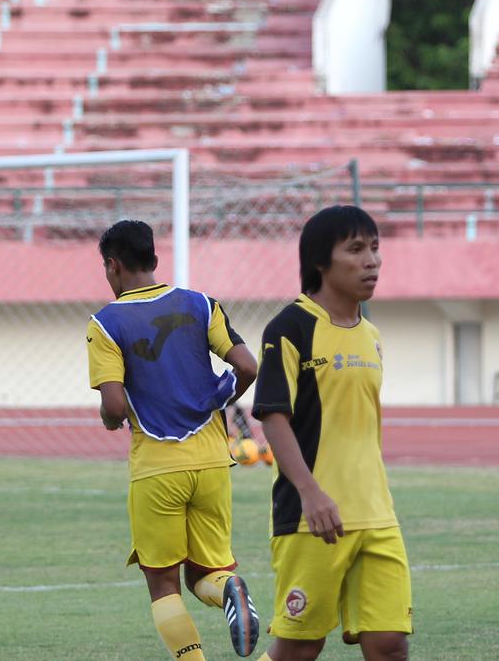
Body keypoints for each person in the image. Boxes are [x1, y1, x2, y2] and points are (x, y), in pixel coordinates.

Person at [86, 219, 261, 659]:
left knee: (163, 584)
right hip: (213, 461)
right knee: (206, 573)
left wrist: (109, 421)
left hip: (157, 467)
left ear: (112, 265)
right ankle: (229, 588)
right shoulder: (201, 304)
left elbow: (115, 407)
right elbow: (248, 366)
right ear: (154, 258)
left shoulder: (105, 324)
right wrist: (220, 397)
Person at [252, 205, 412, 661]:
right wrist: (310, 492)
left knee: (390, 645)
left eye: (375, 248)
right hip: (311, 516)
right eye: (356, 249)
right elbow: (273, 417)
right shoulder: (289, 328)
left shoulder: (372, 335)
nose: (372, 260)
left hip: (376, 513)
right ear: (321, 261)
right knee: (300, 648)